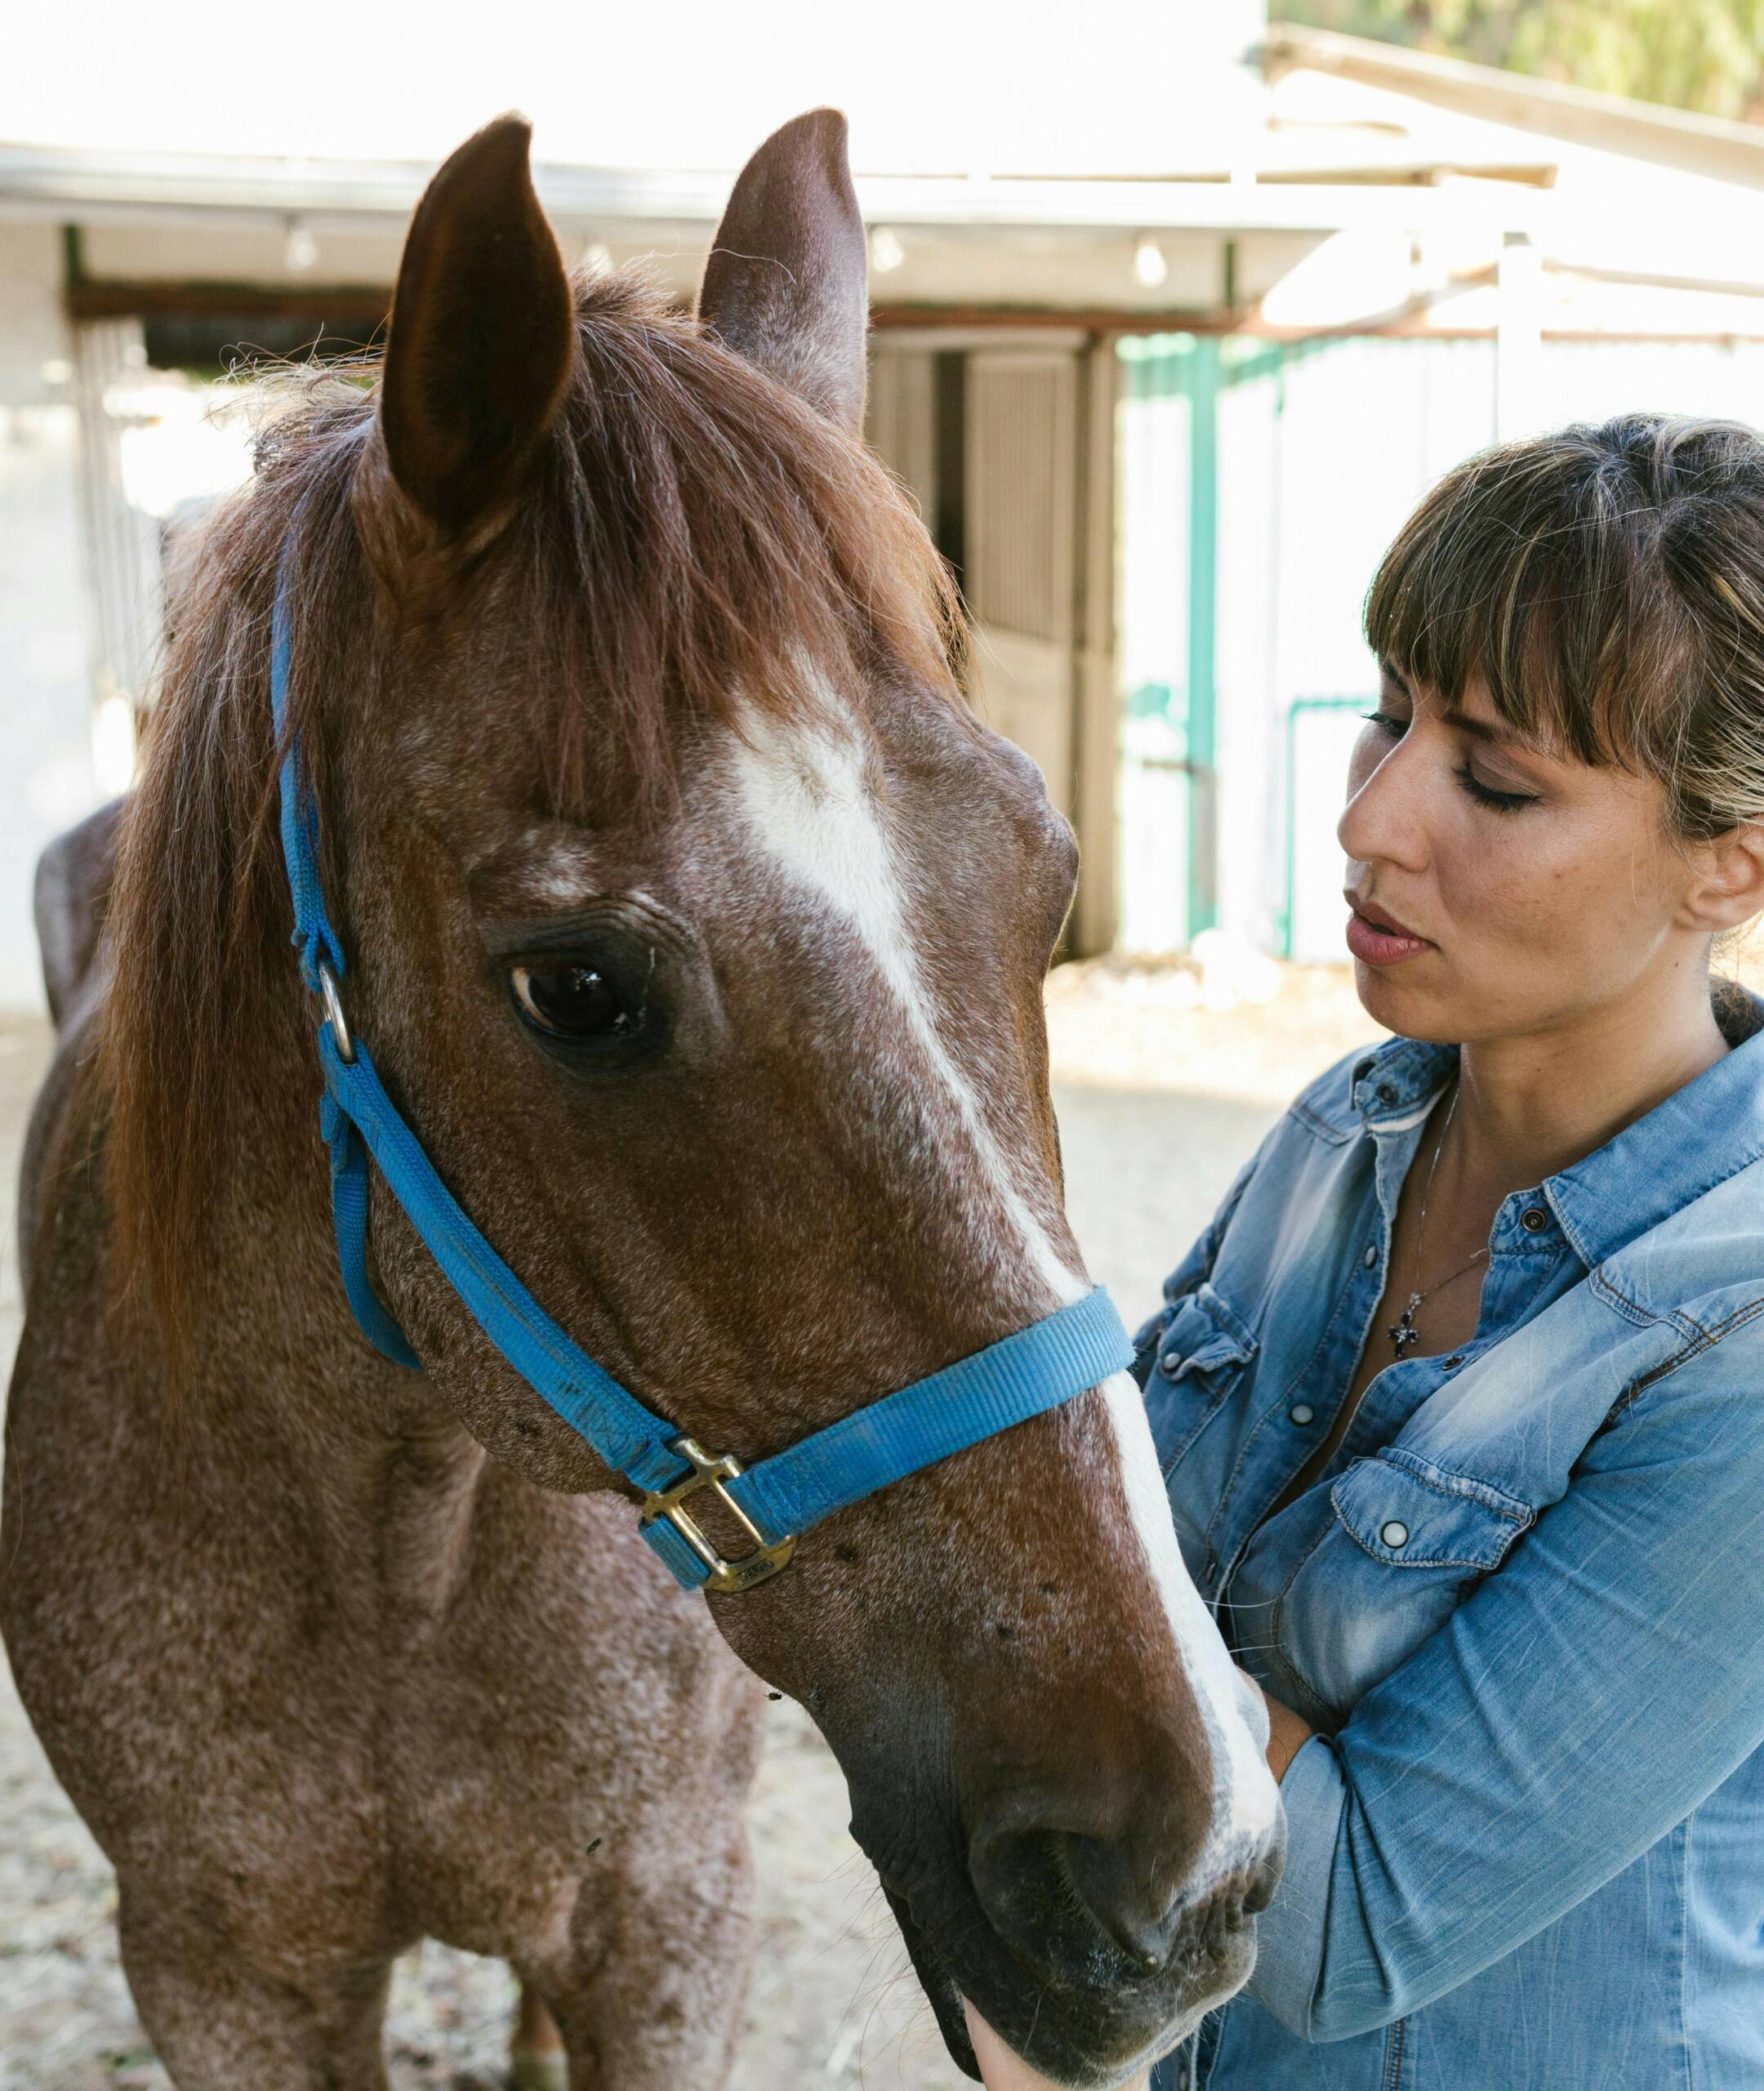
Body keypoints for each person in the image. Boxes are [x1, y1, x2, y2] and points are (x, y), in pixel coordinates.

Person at [969, 414, 1764, 2090]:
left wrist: (958, 1475)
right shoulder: (1350, 1128)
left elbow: (1345, 1921)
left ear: (1735, 859)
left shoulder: (1740, 1340)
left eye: (1495, 777)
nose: (1376, 817)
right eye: (1387, 711)